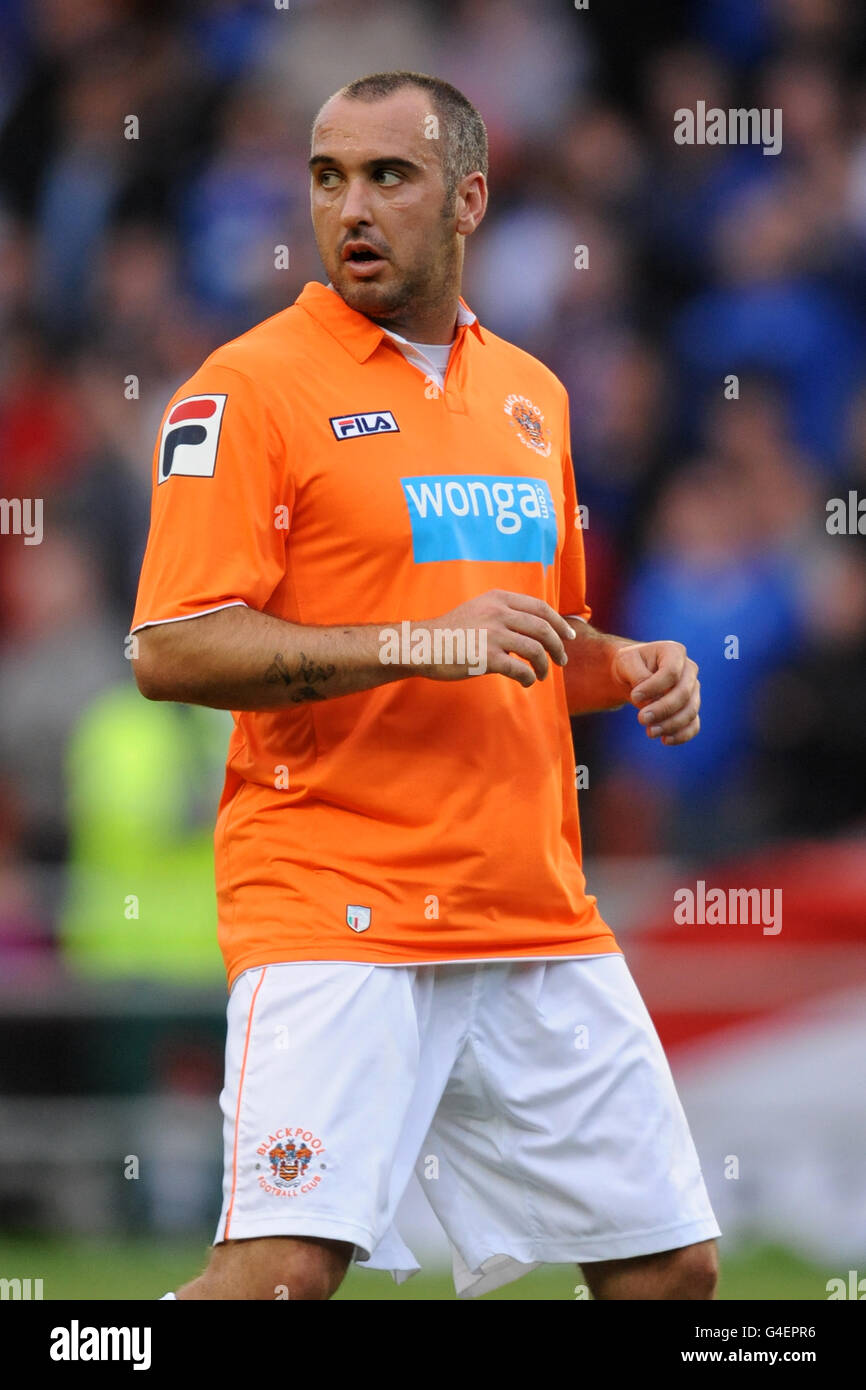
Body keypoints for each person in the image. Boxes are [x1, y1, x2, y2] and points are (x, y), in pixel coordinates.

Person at [131, 71, 719, 1301]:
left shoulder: (533, 397)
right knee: (282, 1273)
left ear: (468, 199)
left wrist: (629, 668)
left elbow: (523, 642)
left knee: (669, 1272)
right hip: (337, 898)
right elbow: (170, 648)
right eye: (327, 175)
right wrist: (411, 641)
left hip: (528, 908)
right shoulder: (245, 390)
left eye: (386, 175)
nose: (350, 204)